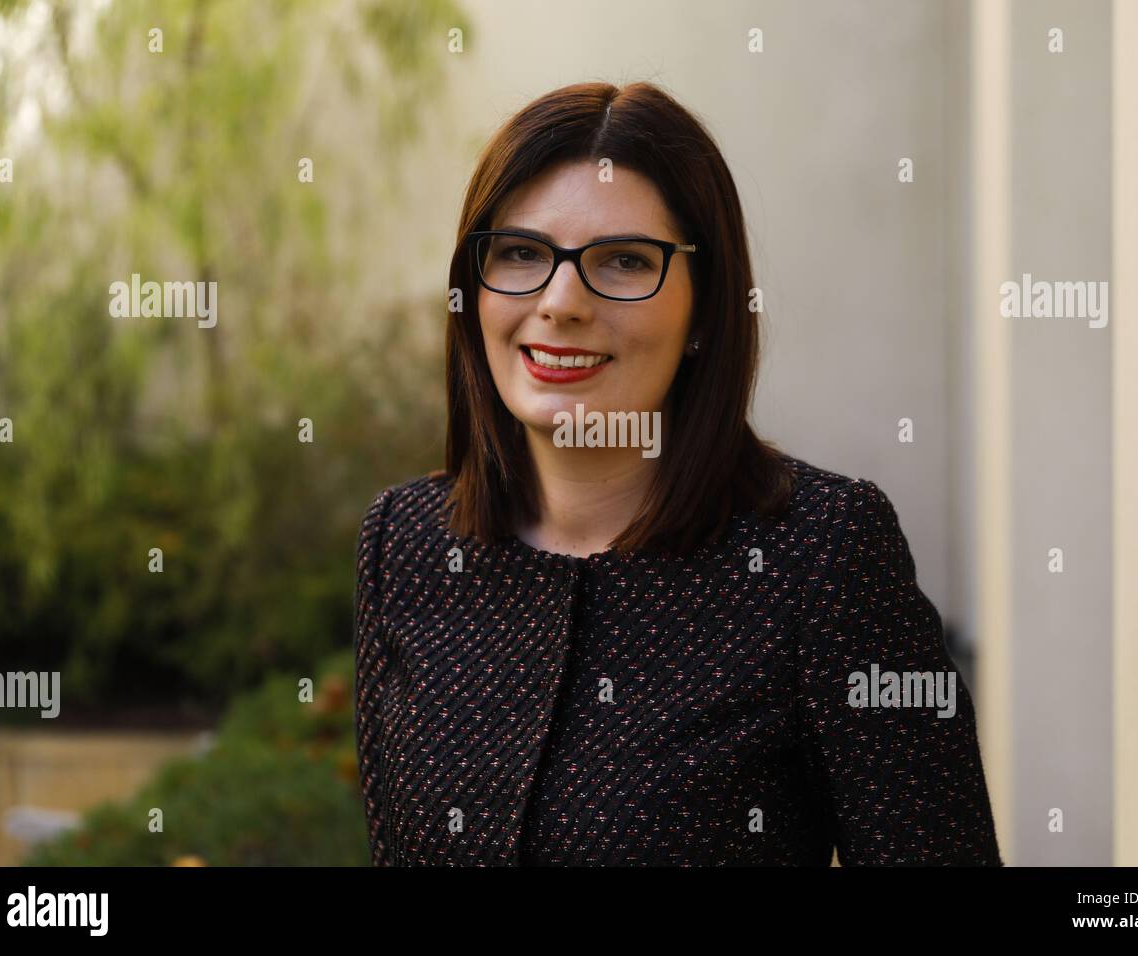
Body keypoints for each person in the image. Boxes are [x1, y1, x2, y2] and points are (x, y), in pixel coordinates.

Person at [353, 80, 1002, 866]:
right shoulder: (407, 543)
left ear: (705, 310)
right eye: (521, 252)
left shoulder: (824, 556)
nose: (560, 302)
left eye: (624, 261)